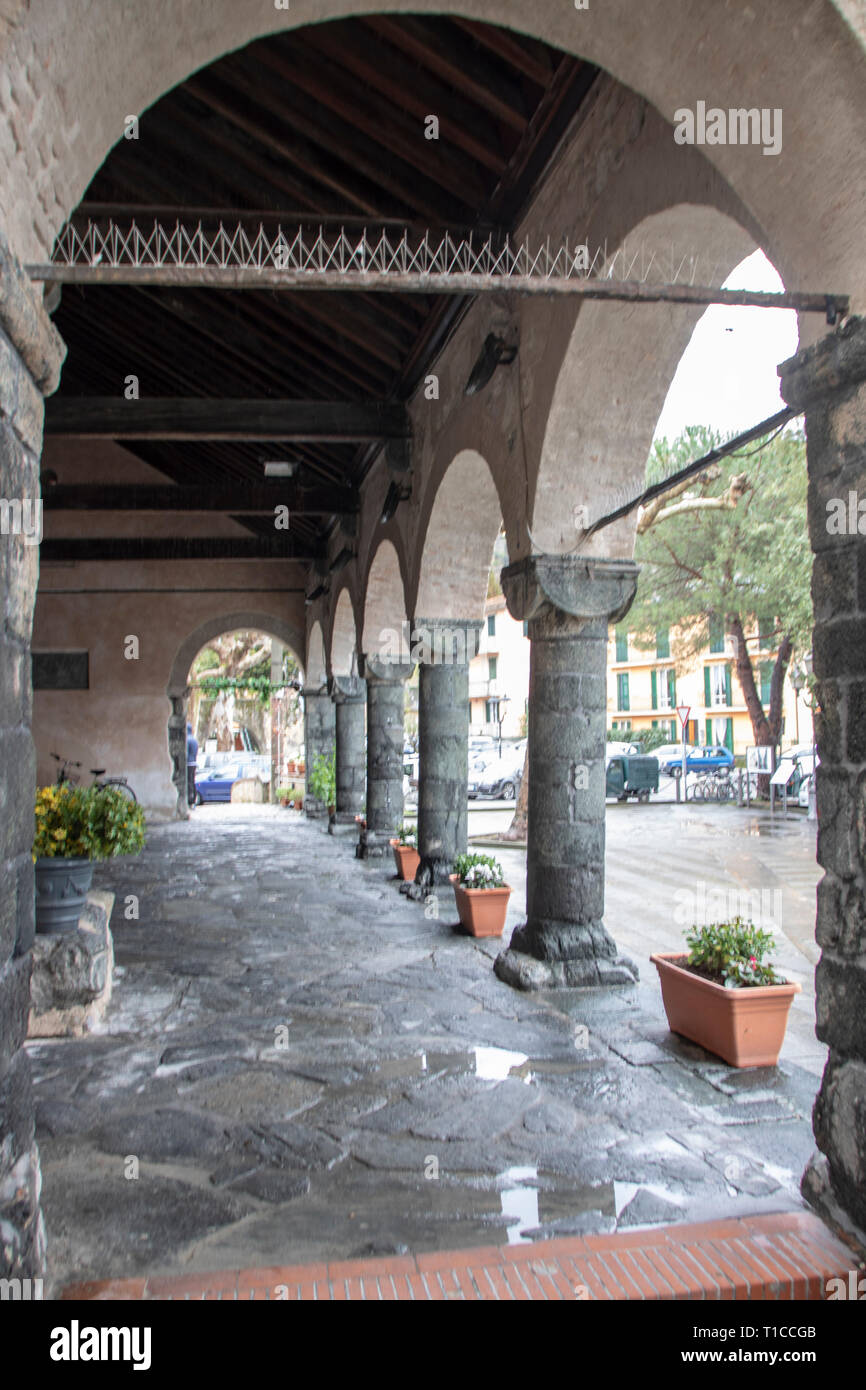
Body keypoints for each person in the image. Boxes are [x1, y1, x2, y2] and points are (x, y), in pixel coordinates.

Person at [187, 722, 199, 807]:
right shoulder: (194, 740)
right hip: (194, 763)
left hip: (188, 764)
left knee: (188, 782)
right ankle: (194, 799)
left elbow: (186, 754)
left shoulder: (187, 740)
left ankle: (189, 799)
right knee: (192, 781)